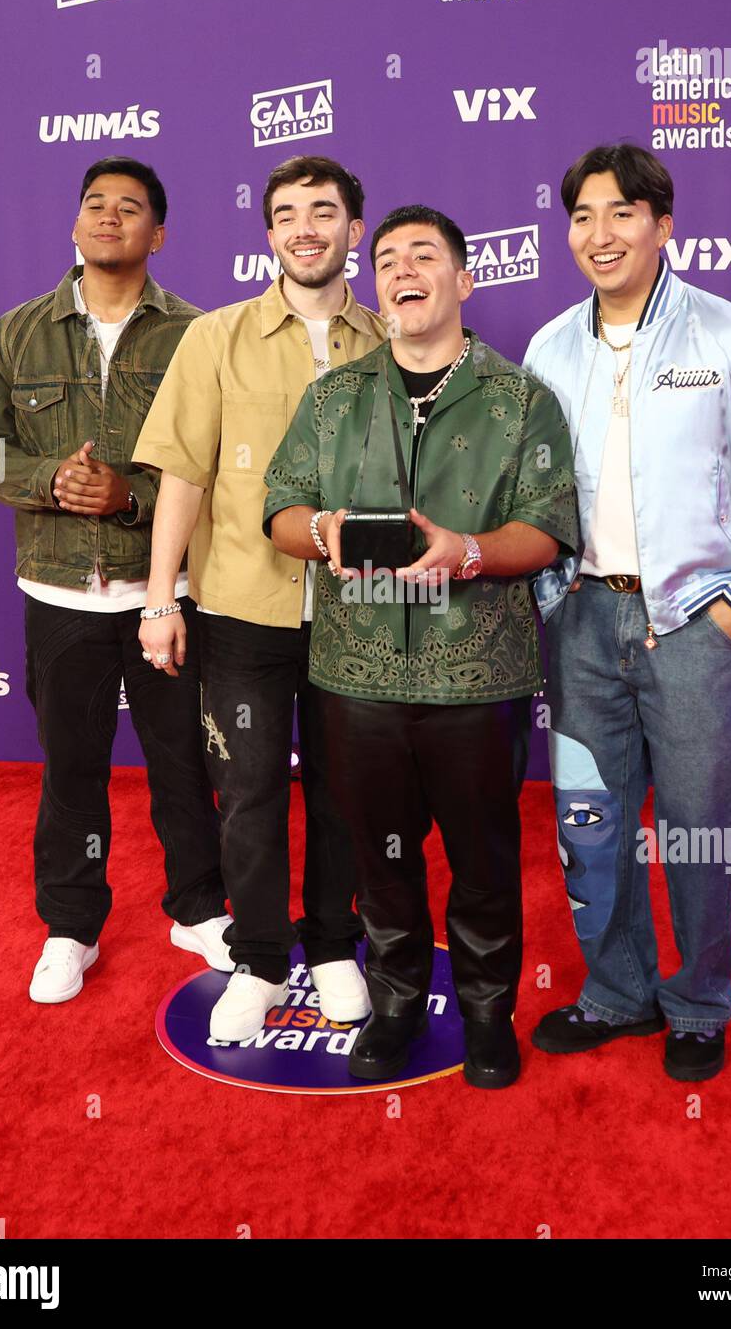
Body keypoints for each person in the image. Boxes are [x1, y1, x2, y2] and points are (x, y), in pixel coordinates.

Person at [523, 143, 731, 1080]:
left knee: (697, 822)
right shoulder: (549, 346)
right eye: (582, 215)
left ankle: (698, 1004)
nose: (599, 234)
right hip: (581, 623)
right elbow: (533, 486)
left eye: (621, 213)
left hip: (693, 626)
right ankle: (616, 993)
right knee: (590, 822)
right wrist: (548, 589)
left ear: (663, 225)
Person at [263, 205, 578, 1088]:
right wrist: (321, 529)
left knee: (482, 862)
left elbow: (548, 529)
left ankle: (486, 1012)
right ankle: (396, 1000)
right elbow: (278, 507)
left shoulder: (521, 399)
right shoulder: (333, 397)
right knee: (382, 857)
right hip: (354, 679)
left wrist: (469, 552)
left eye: (424, 255)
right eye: (389, 257)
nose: (402, 269)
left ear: (463, 280)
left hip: (477, 678)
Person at [0, 156, 229, 1003]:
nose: (110, 218)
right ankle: (71, 926)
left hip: (167, 593)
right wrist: (48, 482)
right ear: (75, 224)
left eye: (131, 208)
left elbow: (222, 464)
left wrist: (128, 496)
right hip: (59, 597)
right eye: (95, 205)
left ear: (159, 233)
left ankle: (198, 908)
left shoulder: (197, 334)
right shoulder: (17, 332)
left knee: (183, 762)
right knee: (71, 769)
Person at [133, 156, 387, 1043]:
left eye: (325, 210)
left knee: (346, 792)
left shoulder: (394, 336)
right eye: (287, 214)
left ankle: (331, 947)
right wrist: (161, 598)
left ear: (357, 227)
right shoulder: (216, 337)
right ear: (269, 233)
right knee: (246, 793)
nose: (305, 226)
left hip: (360, 615)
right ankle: (259, 958)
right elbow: (181, 476)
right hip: (242, 609)